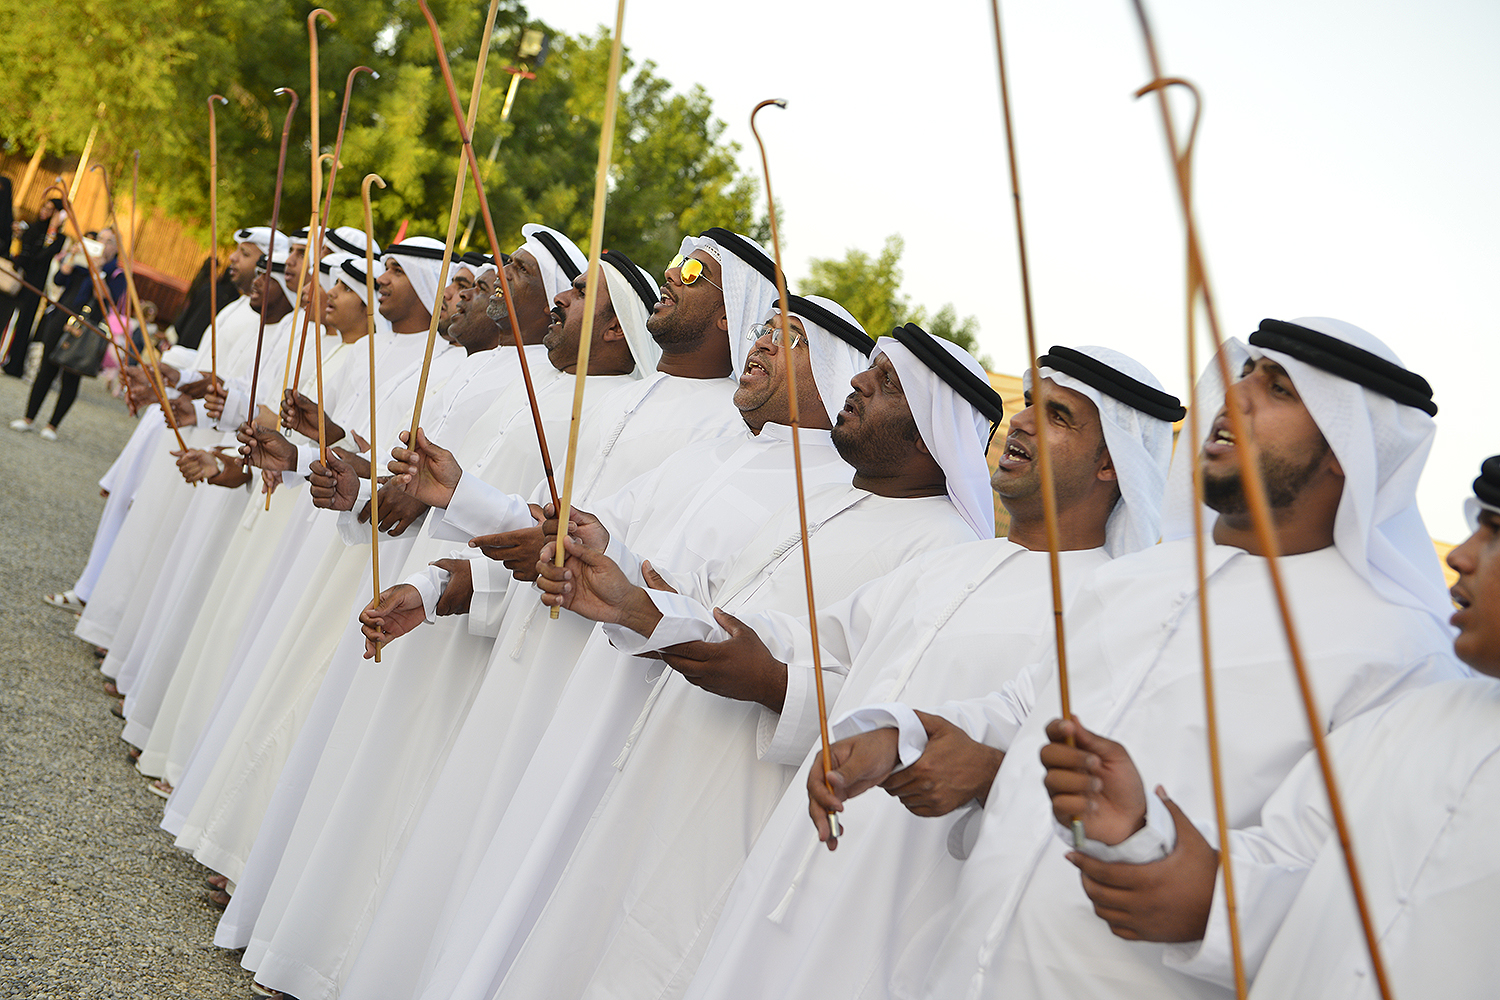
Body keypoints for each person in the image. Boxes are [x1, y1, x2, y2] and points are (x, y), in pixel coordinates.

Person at [812, 317, 1463, 1000]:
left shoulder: (1401, 653)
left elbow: (1342, 890)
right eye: (1243, 374)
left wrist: (1168, 857)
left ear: (1346, 448)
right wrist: (902, 738)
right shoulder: (1138, 579)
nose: (1236, 397)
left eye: (1279, 390)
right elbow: (1023, 710)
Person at [474, 325, 999, 1000]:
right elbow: (724, 613)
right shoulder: (829, 497)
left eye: (889, 383)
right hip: (669, 752)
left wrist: (771, 679)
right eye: (867, 369)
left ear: (934, 433)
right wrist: (625, 582)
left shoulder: (939, 548)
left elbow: (882, 699)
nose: (859, 383)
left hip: (751, 799)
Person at [680, 346, 1183, 1000]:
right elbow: (811, 647)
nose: (1023, 422)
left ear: (1111, 461)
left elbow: (1081, 787)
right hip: (790, 872)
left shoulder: (1107, 612)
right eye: (1027, 403)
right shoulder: (948, 569)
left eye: (1056, 415)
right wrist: (666, 616)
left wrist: (985, 772)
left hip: (906, 926)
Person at [1039, 454, 1500, 999]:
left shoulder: (1407, 663)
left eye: (1495, 536)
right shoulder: (1419, 721)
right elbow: (1293, 871)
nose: (1464, 557)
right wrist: (1145, 837)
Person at [11, 227, 125, 439]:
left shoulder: (117, 274)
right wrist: (72, 256)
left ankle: (52, 426)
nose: (103, 243)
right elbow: (58, 280)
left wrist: (99, 271)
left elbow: (106, 299)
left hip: (87, 327)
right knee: (46, 368)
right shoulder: (82, 260)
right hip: (62, 318)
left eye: (109, 241)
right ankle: (29, 418)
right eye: (101, 238)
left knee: (71, 376)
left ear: (116, 247)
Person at [0, 197, 67, 378]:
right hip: (17, 281)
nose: (44, 211)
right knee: (9, 318)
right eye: (44, 206)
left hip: (36, 286)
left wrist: (53, 228)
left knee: (24, 323)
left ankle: (13, 362)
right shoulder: (30, 228)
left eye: (51, 209)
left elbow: (41, 256)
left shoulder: (59, 238)